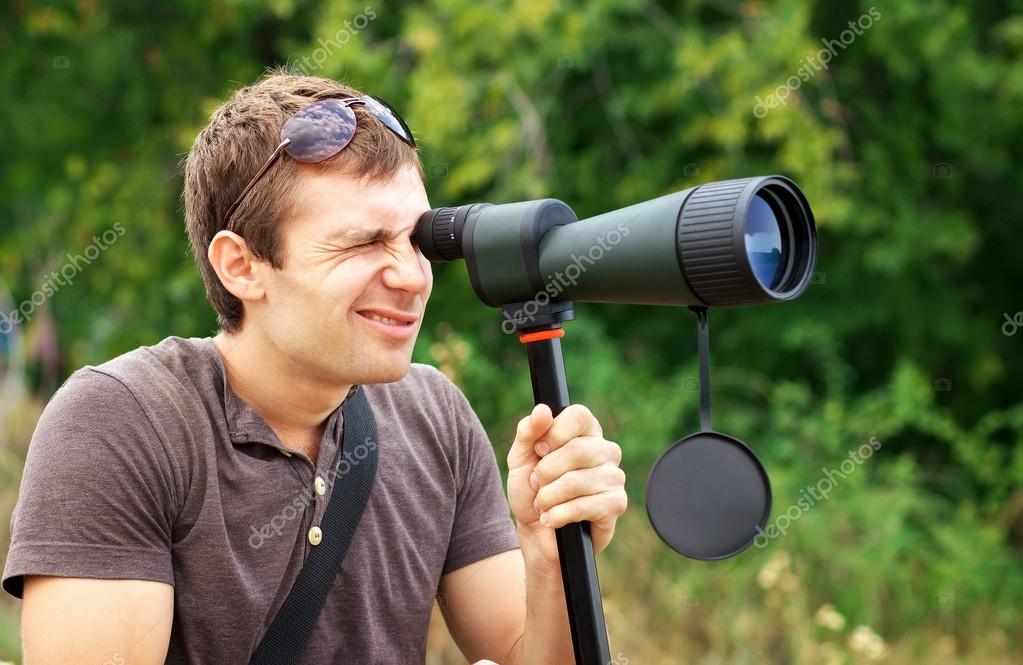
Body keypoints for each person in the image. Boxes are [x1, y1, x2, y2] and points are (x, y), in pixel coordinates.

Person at [2, 68, 628, 664]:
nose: (412, 277)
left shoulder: (434, 415)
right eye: (363, 243)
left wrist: (550, 561)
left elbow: (526, 655)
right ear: (241, 266)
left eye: (419, 241)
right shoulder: (123, 423)